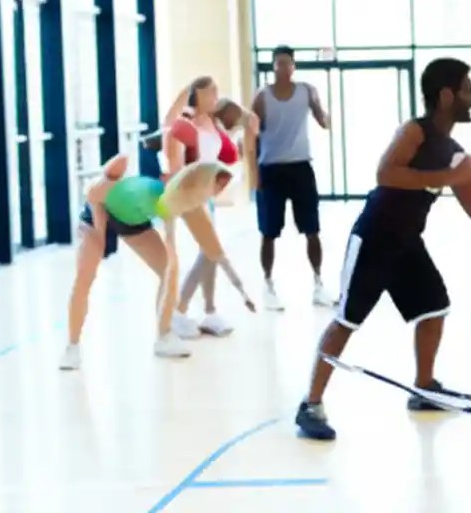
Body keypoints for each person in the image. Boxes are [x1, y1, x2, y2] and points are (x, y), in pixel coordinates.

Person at [294, 58, 471, 441]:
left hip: (407, 243)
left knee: (435, 306)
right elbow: (386, 173)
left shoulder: (455, 151)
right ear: (446, 95)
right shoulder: (414, 131)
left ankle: (424, 388)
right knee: (347, 320)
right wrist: (451, 176)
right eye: (467, 89)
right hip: (374, 238)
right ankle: (310, 404)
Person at [59, 153, 246, 370]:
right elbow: (94, 195)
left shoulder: (184, 202)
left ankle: (164, 335)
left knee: (168, 268)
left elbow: (198, 245)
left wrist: (240, 288)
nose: (218, 192)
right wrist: (100, 235)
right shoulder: (140, 191)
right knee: (85, 278)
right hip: (97, 216)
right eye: (217, 186)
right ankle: (72, 347)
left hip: (132, 221)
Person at [163, 78, 258, 336]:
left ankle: (209, 310)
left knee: (210, 254)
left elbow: (230, 150)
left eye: (217, 91)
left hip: (207, 194)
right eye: (210, 92)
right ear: (197, 94)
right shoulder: (187, 119)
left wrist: (247, 125)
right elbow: (171, 138)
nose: (216, 95)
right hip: (188, 194)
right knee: (210, 251)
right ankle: (180, 309)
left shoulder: (213, 123)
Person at [251, 45, 332, 311]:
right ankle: (268, 283)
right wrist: (254, 174)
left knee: (312, 229)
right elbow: (250, 137)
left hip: (300, 167)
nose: (283, 67)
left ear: (293, 66)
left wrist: (324, 112)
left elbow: (324, 120)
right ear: (273, 66)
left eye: (287, 63)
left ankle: (318, 283)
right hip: (271, 169)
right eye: (278, 63)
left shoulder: (306, 91)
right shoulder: (262, 97)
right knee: (269, 231)